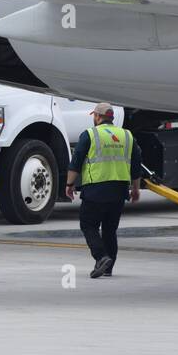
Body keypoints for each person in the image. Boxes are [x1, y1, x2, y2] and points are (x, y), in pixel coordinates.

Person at [63, 102, 143, 279]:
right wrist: (135, 189)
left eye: (94, 115)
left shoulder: (90, 134)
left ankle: (101, 258)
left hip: (96, 188)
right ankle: (108, 268)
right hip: (119, 190)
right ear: (112, 118)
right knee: (109, 229)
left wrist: (69, 185)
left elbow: (76, 162)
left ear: (98, 117)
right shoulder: (127, 135)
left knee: (88, 224)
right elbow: (136, 165)